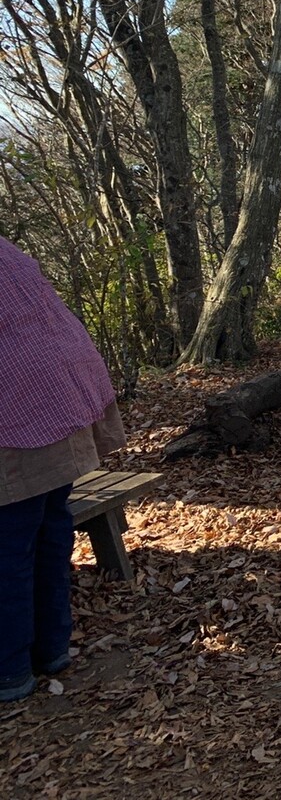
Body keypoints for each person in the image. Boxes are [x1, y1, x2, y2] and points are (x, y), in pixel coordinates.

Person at [0, 236, 127, 702]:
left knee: (10, 544)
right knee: (50, 527)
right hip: (61, 389)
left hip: (18, 409)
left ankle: (10, 670)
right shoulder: (7, 251)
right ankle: (51, 648)